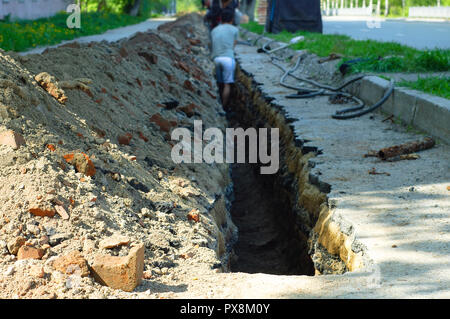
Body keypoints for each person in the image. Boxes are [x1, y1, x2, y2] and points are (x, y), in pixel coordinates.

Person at [211, 8, 239, 109]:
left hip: (216, 59)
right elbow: (233, 46)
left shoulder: (214, 30)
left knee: (219, 83)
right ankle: (224, 107)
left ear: (221, 19)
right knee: (227, 84)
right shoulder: (235, 29)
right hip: (228, 59)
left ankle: (217, 106)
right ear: (232, 19)